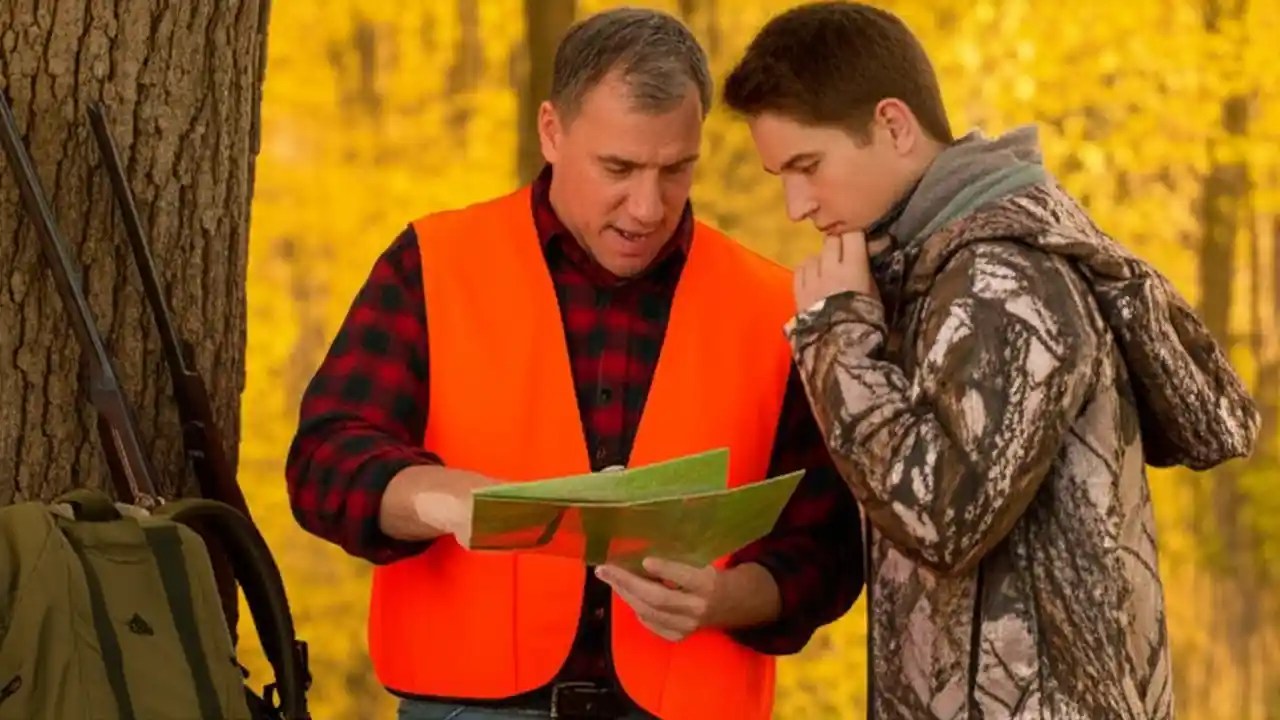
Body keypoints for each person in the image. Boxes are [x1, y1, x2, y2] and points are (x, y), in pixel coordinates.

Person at [285, 7, 864, 720]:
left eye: (676, 170)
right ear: (552, 132)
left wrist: (727, 600)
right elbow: (324, 462)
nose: (647, 206)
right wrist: (440, 499)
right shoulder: (434, 264)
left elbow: (829, 544)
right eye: (618, 168)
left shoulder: (775, 304)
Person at [722, 2, 1259, 718]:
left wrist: (835, 341)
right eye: (779, 175)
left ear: (893, 124)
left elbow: (942, 521)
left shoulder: (1004, 284)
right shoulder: (930, 276)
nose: (795, 204)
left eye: (807, 166)